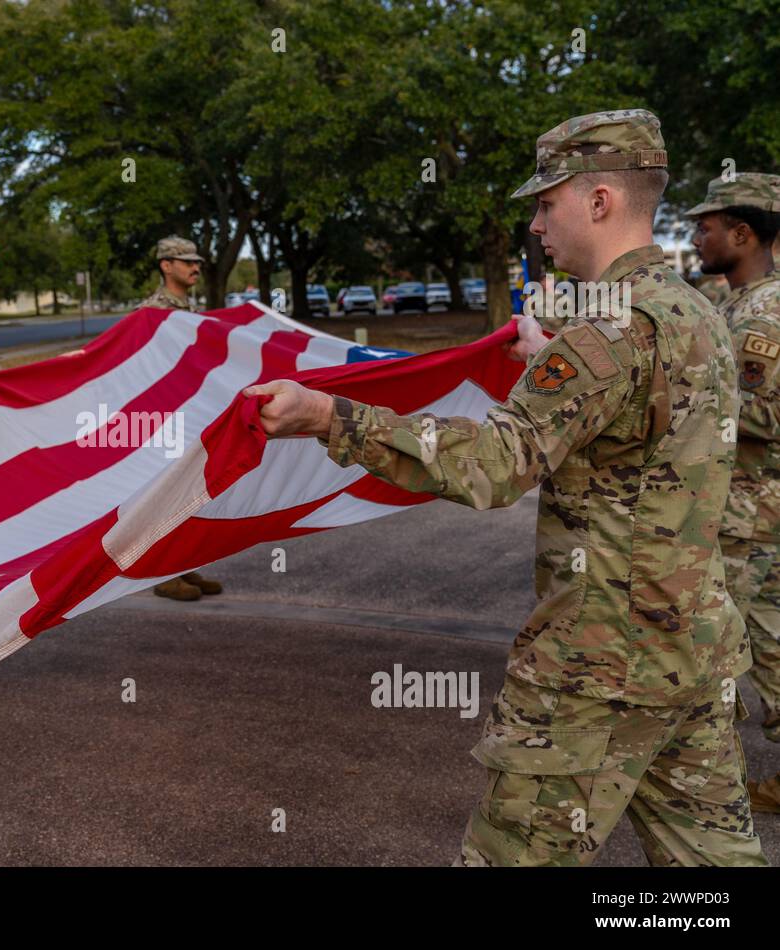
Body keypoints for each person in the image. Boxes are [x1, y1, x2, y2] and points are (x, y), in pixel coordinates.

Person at [246, 110, 768, 866]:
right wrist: (554, 353)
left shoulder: (608, 334)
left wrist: (333, 416)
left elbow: (494, 462)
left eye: (545, 202)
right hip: (694, 653)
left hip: (599, 669)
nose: (535, 223)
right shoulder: (698, 313)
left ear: (599, 201)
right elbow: (642, 419)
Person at [690, 171, 780, 813]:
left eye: (707, 226)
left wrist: (689, 397)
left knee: (769, 647)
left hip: (757, 515)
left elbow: (768, 415)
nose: (696, 238)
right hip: (735, 508)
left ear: (743, 234)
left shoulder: (763, 313)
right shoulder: (733, 304)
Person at [139, 236, 224, 601]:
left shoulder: (189, 310)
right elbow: (145, 370)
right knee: (163, 495)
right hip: (162, 418)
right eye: (186, 261)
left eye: (197, 262)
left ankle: (182, 565)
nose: (195, 267)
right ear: (165, 265)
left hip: (189, 414)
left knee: (186, 494)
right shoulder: (152, 312)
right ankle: (160, 573)